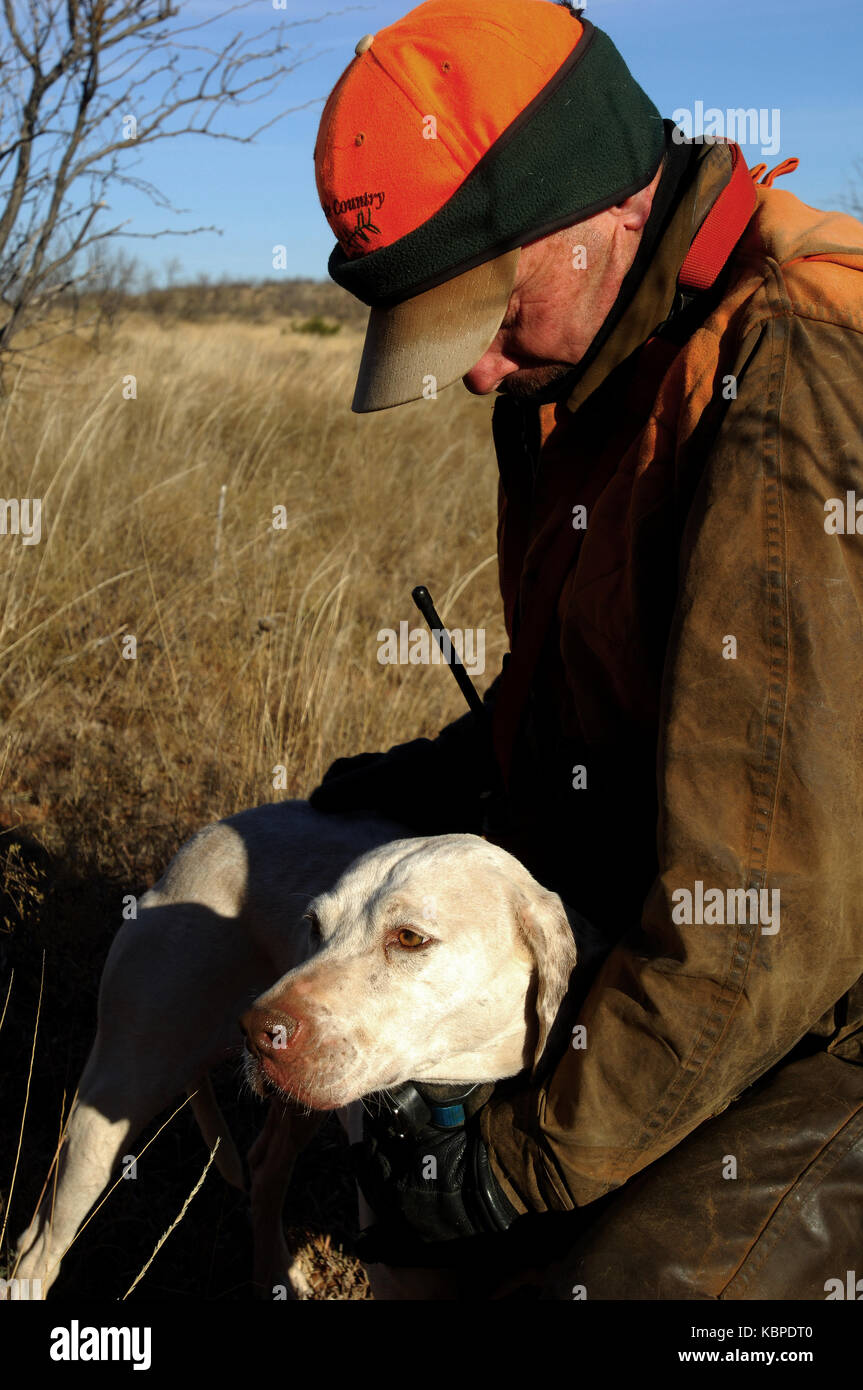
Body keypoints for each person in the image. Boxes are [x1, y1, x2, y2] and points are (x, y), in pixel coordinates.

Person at [308, 0, 863, 1298]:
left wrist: (508, 1167)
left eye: (487, 315)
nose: (477, 373)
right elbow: (599, 699)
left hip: (825, 1013)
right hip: (683, 952)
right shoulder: (607, 372)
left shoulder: (796, 378)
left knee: (609, 1286)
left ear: (599, 210)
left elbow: (763, 913)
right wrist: (424, 785)